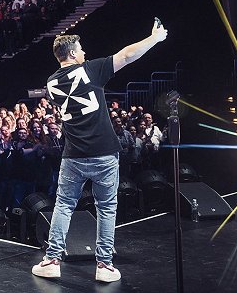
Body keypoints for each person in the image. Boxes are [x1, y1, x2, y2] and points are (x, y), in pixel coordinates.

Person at [32, 20, 168, 284]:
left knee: (64, 205)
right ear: (72, 54)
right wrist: (155, 39)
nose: (85, 53)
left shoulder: (50, 83)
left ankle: (51, 260)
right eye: (81, 49)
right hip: (104, 153)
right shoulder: (90, 70)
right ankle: (104, 265)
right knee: (106, 208)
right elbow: (127, 55)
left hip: (73, 156)